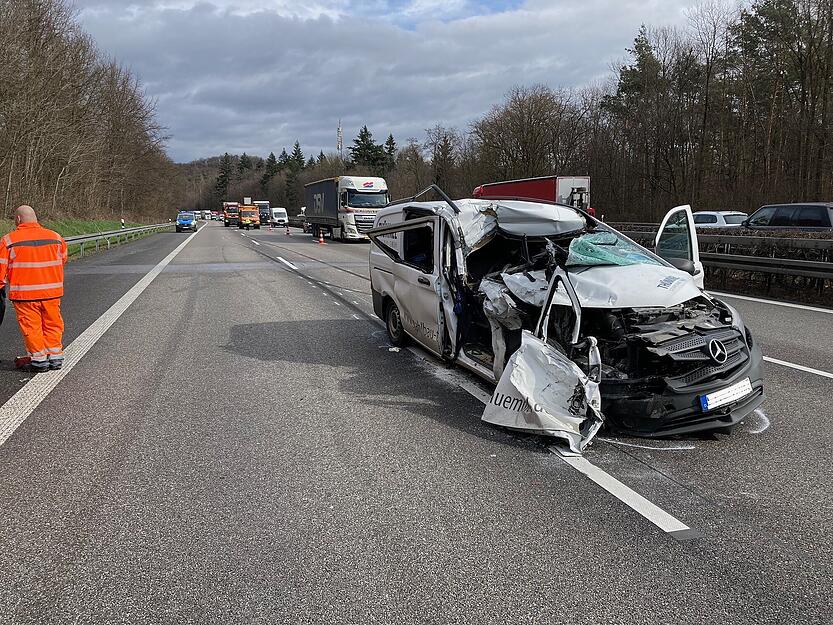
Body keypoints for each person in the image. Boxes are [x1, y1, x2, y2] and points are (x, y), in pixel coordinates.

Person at [0, 205, 68, 372]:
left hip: (25, 295)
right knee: (53, 324)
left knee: (32, 327)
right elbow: (63, 259)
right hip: (52, 293)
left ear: (17, 219)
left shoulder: (8, 241)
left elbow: (1, 270)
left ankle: (39, 361)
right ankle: (55, 358)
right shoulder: (56, 237)